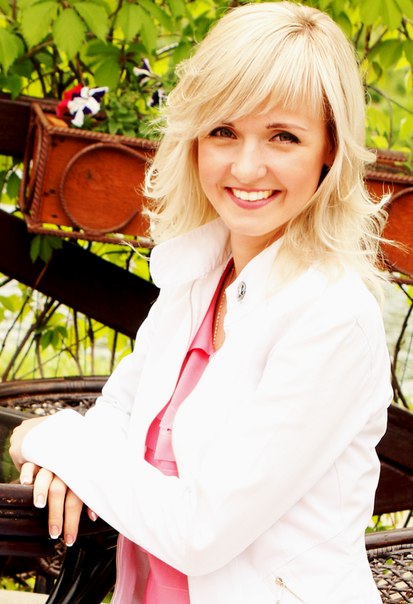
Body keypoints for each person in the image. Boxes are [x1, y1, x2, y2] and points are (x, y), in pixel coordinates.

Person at [10, 2, 393, 602]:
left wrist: (46, 437)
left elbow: (200, 531)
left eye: (283, 137)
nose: (247, 166)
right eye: (223, 131)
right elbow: (118, 416)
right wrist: (66, 458)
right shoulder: (199, 275)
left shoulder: (332, 318)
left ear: (330, 149)